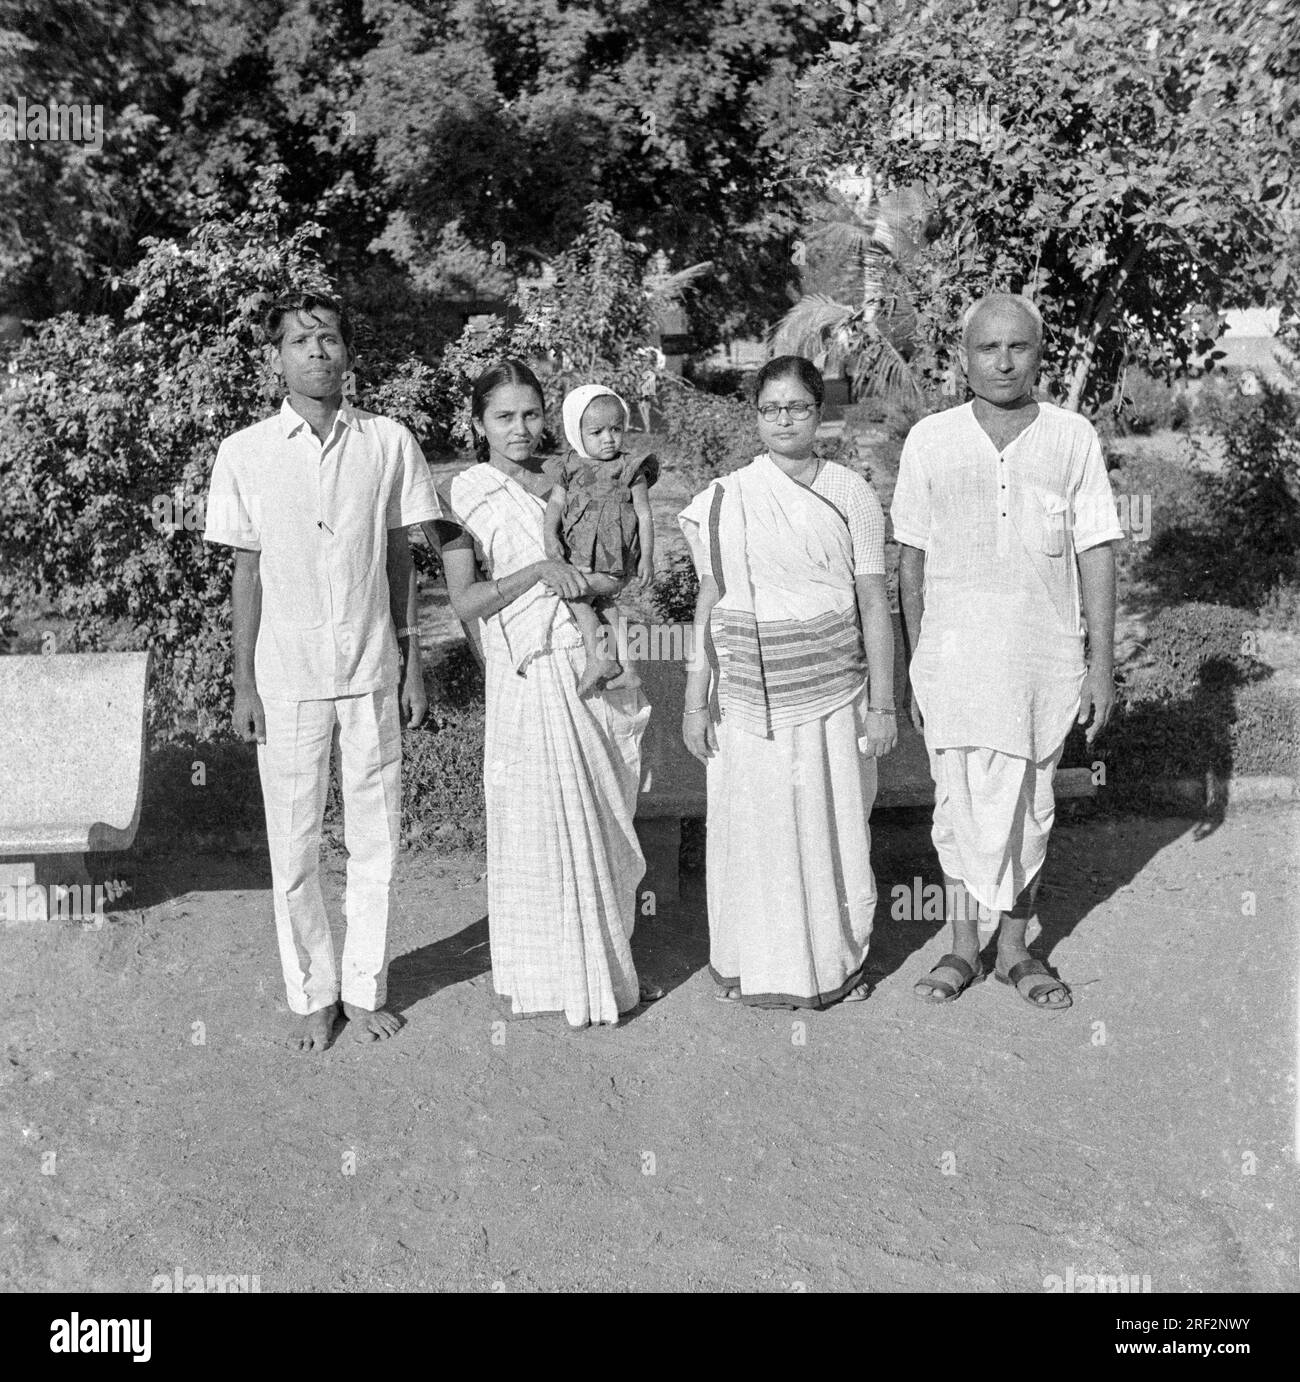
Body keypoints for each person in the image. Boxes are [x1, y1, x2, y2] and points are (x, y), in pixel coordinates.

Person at [203, 290, 442, 1052]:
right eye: (300, 341)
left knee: (377, 839)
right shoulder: (244, 452)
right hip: (286, 677)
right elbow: (246, 573)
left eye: (330, 338)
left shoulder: (388, 442)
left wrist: (410, 662)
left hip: (373, 667)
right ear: (275, 358)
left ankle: (367, 988)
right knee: (295, 844)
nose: (317, 352)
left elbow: (404, 555)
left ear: (348, 352)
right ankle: (313, 993)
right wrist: (242, 681)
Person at [893, 292, 1123, 1009]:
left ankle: (1018, 951)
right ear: (963, 359)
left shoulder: (1071, 436)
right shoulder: (931, 439)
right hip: (953, 661)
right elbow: (910, 561)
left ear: (1038, 354)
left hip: (1039, 661)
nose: (1002, 361)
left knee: (1028, 806)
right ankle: (962, 949)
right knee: (956, 807)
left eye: (1017, 347)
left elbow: (1098, 548)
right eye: (987, 348)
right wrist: (913, 662)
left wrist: (1101, 663)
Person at [428, 359, 657, 1028]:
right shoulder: (461, 493)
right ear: (478, 424)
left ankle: (606, 972)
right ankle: (548, 977)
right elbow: (466, 602)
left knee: (605, 815)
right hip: (530, 671)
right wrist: (540, 569)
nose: (521, 429)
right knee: (538, 822)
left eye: (532, 414)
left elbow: (619, 563)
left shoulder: (574, 474)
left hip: (597, 655)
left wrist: (604, 585)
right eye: (504, 417)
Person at [679, 355, 896, 1009]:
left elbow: (873, 602)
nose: (784, 420)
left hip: (832, 696)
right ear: (755, 416)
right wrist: (695, 696)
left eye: (797, 407)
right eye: (771, 409)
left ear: (819, 413)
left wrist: (883, 703)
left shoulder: (849, 492)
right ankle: (755, 967)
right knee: (754, 831)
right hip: (745, 698)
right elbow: (710, 598)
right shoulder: (725, 500)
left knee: (830, 829)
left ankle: (833, 967)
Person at [542, 385, 656, 694]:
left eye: (616, 429)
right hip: (582, 558)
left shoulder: (630, 469)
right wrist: (549, 533)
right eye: (597, 432)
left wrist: (647, 557)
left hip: (613, 562)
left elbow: (644, 515)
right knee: (605, 605)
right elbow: (555, 504)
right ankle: (629, 669)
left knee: (573, 592)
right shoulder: (570, 466)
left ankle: (599, 658)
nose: (608, 438)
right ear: (577, 433)